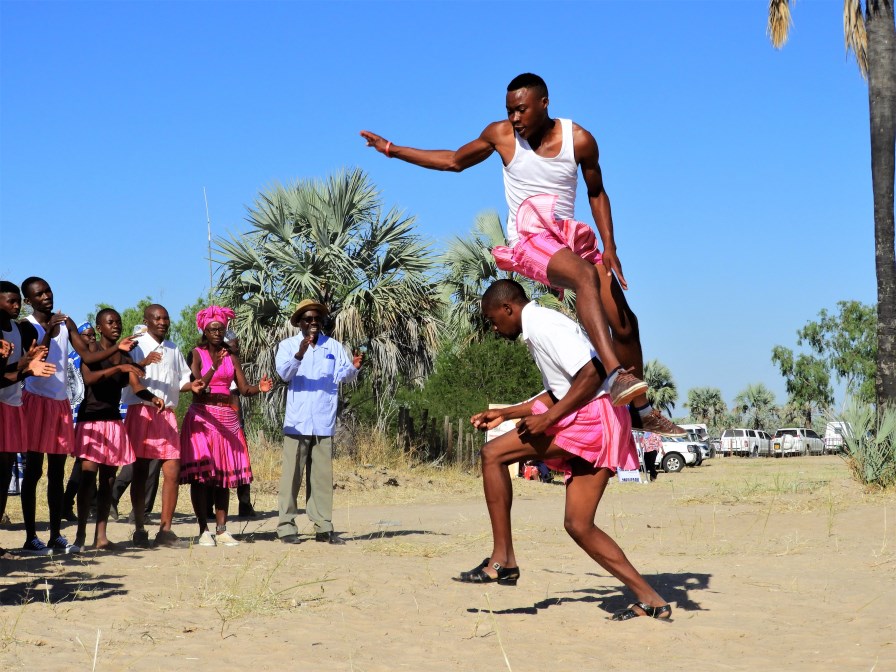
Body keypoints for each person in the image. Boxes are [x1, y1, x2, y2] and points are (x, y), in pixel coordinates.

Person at [361, 73, 683, 437]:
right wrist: (391, 148)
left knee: (625, 323)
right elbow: (453, 160)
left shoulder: (579, 140)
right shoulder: (501, 136)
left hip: (569, 237)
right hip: (529, 238)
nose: (515, 118)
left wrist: (610, 246)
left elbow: (596, 192)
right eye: (509, 111)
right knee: (583, 276)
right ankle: (614, 374)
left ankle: (641, 411)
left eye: (521, 110)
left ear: (544, 104)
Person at [457, 280, 671, 621]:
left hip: (594, 419)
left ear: (508, 308)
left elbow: (593, 374)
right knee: (578, 524)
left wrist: (548, 419)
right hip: (603, 419)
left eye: (493, 319)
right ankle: (652, 600)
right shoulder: (538, 328)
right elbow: (562, 391)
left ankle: (503, 559)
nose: (494, 328)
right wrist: (507, 413)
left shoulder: (544, 325)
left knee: (493, 454)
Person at [18, 276, 136, 555]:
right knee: (34, 471)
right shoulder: (26, 326)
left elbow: (89, 357)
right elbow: (37, 357)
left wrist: (117, 349)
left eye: (48, 291)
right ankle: (31, 536)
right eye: (39, 294)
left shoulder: (66, 322)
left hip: (60, 403)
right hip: (35, 401)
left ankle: (56, 535)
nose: (46, 296)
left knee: (57, 473)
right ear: (28, 300)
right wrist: (48, 332)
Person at [72, 309, 164, 551]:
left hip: (113, 421)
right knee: (88, 478)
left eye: (118, 322)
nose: (115, 326)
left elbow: (134, 384)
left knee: (108, 480)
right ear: (99, 328)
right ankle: (80, 535)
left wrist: (152, 398)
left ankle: (100, 537)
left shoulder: (124, 356)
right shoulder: (91, 350)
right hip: (91, 420)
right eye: (110, 322)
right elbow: (90, 379)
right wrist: (119, 369)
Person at [180, 306, 272, 547]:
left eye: (221, 329)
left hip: (226, 418)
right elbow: (198, 387)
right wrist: (214, 366)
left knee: (223, 475)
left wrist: (259, 388)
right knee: (202, 477)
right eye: (213, 329)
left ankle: (221, 529)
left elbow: (244, 389)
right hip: (202, 417)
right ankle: (203, 529)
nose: (217, 332)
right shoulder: (196, 354)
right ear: (204, 331)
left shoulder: (231, 357)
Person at [274, 299, 362, 545]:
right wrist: (300, 353)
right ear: (299, 322)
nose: (313, 322)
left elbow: (343, 376)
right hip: (298, 421)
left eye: (317, 319)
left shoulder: (333, 346)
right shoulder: (287, 346)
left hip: (323, 420)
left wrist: (354, 368)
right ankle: (286, 526)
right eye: (308, 319)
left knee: (322, 478)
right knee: (291, 477)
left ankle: (323, 526)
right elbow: (284, 374)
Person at [121, 304, 203, 547]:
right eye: (157, 318)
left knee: (172, 471)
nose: (162, 322)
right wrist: (144, 364)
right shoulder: (135, 345)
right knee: (140, 471)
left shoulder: (173, 348)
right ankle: (139, 528)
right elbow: (131, 378)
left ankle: (165, 530)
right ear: (146, 321)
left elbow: (181, 381)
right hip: (142, 411)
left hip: (166, 414)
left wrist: (192, 386)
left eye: (165, 318)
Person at [0, 281, 55, 552]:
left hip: (12, 405)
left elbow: (13, 371)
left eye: (17, 301)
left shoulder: (18, 330)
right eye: (10, 301)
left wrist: (28, 364)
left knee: (4, 476)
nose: (16, 305)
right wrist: (25, 368)